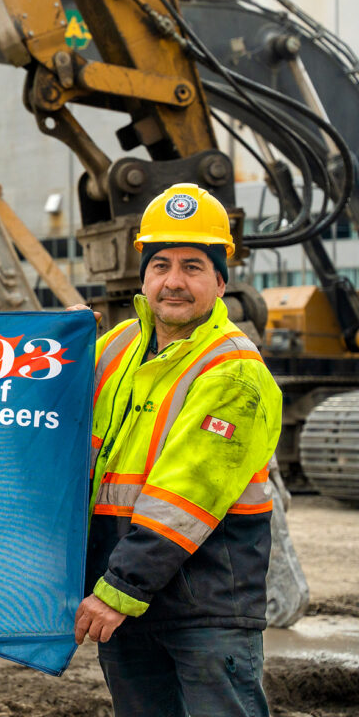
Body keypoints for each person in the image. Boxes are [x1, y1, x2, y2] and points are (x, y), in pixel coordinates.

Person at [74, 184, 282, 716]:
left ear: (220, 279)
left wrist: (117, 589)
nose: (173, 281)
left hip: (204, 609)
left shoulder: (234, 372)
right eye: (160, 263)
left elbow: (184, 498)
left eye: (193, 265)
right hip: (127, 598)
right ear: (143, 274)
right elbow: (41, 415)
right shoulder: (116, 346)